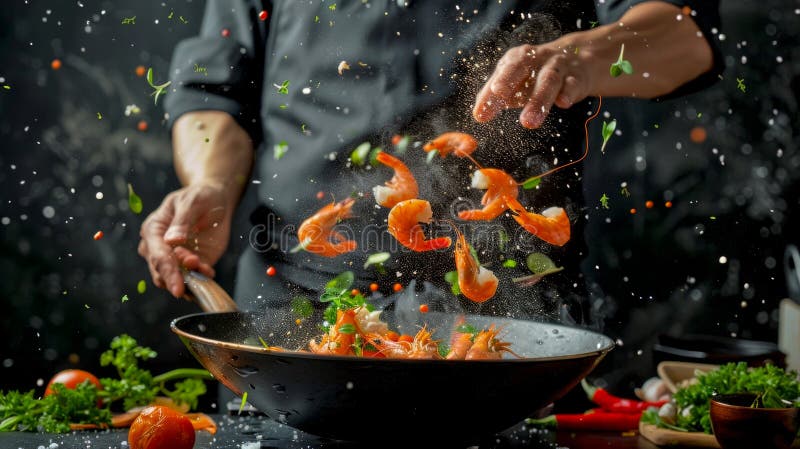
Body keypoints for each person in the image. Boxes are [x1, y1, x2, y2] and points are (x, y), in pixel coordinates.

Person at [139, 0, 721, 343]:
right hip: (291, 312)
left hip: (512, 318)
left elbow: (687, 32)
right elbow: (214, 89)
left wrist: (580, 56)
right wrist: (210, 183)